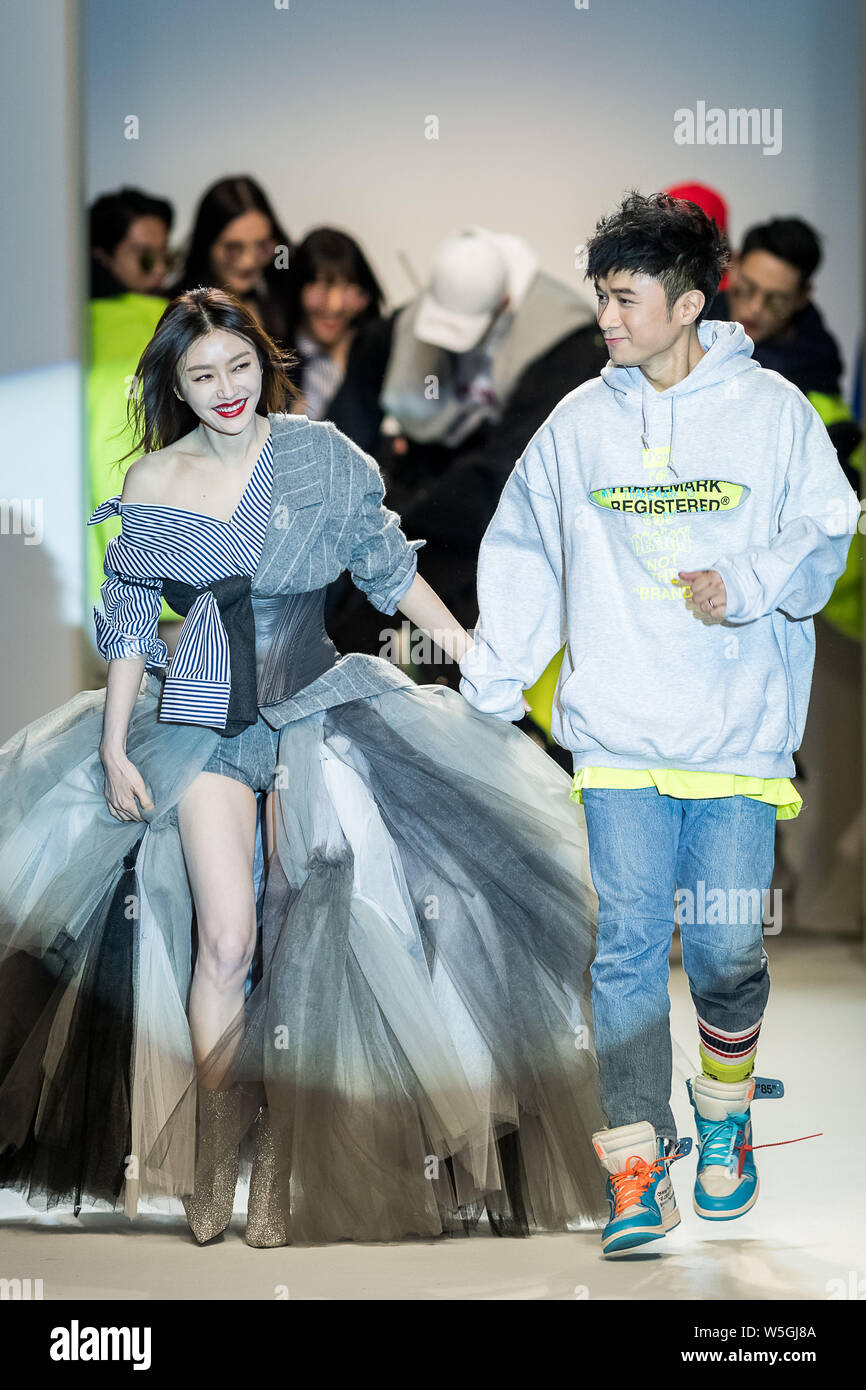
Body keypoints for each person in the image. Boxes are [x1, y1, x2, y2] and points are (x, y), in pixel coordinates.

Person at [0, 287, 613, 1246]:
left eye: (239, 366)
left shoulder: (323, 459)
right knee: (227, 938)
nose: (226, 389)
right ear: (176, 384)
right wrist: (118, 741)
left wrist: (470, 646)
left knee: (308, 924)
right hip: (198, 720)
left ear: (262, 360)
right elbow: (128, 627)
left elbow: (386, 567)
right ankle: (213, 1155)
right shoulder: (155, 480)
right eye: (201, 375)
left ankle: (280, 1159)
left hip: (316, 713)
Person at [459, 192, 860, 1256]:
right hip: (618, 738)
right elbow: (522, 546)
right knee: (628, 946)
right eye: (599, 296)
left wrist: (748, 580)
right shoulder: (579, 424)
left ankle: (722, 1118)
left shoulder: (770, 414)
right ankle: (638, 1166)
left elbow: (827, 527)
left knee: (726, 946)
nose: (606, 316)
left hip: (732, 741)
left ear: (686, 304)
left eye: (624, 297)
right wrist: (496, 675)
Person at [710, 215, 862, 643]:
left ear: (802, 298)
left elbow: (830, 501)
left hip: (757, 581)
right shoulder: (689, 322)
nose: (755, 308)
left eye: (775, 300)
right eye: (748, 288)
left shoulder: (815, 376)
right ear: (734, 267)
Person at [87, 188, 175, 666]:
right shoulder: (163, 324)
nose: (160, 271)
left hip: (78, 591)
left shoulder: (49, 330)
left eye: (166, 256)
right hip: (165, 582)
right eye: (144, 258)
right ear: (101, 256)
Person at [169, 176, 293, 345]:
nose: (248, 261)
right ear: (207, 246)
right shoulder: (171, 315)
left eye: (262, 246)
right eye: (233, 248)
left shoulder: (286, 306)